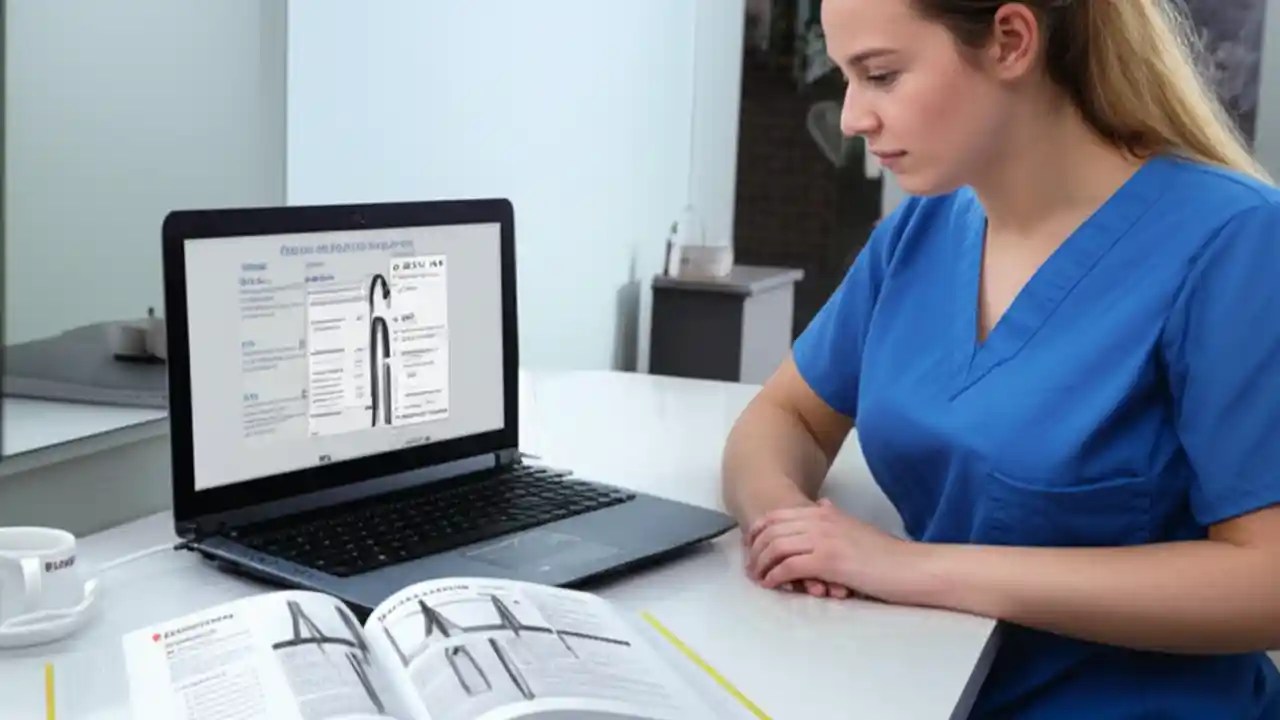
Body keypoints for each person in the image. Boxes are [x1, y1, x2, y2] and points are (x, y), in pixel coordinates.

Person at [720, 0, 1280, 717]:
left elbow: (1268, 581)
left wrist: (912, 568)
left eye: (882, 75)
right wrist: (787, 532)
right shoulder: (919, 233)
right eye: (845, 77)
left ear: (1011, 41)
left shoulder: (1234, 243)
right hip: (921, 687)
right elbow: (786, 413)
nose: (854, 116)